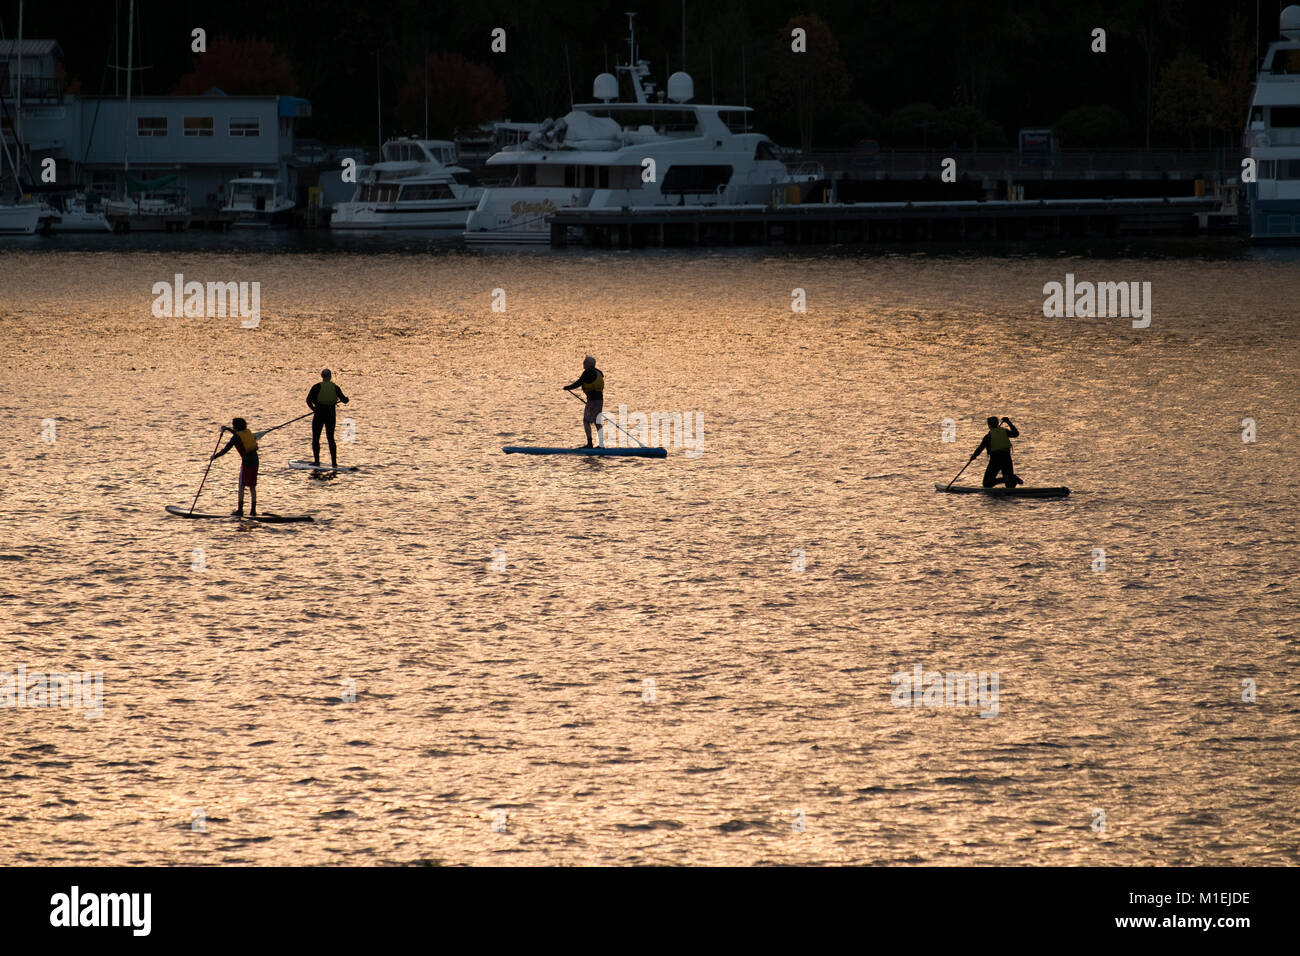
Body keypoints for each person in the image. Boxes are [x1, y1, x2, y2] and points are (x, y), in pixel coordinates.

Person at [211, 417, 262, 516]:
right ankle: (253, 511)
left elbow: (225, 450)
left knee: (241, 485)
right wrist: (227, 429)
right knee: (252, 486)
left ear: (236, 427)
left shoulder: (235, 438)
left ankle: (240, 510)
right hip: (255, 461)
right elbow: (237, 434)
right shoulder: (247, 433)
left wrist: (215, 456)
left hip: (247, 462)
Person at [307, 369, 349, 467]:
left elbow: (308, 400)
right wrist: (347, 399)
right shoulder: (335, 387)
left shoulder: (316, 387)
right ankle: (334, 463)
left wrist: (314, 409)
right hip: (330, 415)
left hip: (319, 414)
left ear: (322, 376)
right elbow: (344, 400)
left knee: (316, 438)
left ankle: (317, 462)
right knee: (330, 439)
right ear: (330, 377)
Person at [969, 416, 1024, 488]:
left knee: (986, 483)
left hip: (995, 460)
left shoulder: (988, 436)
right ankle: (1011, 478)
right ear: (997, 424)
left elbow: (980, 448)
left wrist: (973, 456)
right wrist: (1009, 422)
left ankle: (1004, 479)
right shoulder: (1004, 431)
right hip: (1006, 459)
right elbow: (1016, 434)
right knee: (1010, 484)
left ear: (989, 425)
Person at [562, 355, 604, 448]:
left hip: (592, 401)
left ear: (589, 364)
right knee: (597, 422)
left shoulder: (588, 372)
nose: (583, 364)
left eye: (585, 362)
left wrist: (567, 387)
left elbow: (579, 382)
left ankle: (589, 444)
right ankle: (601, 444)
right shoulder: (598, 372)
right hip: (599, 400)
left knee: (586, 421)